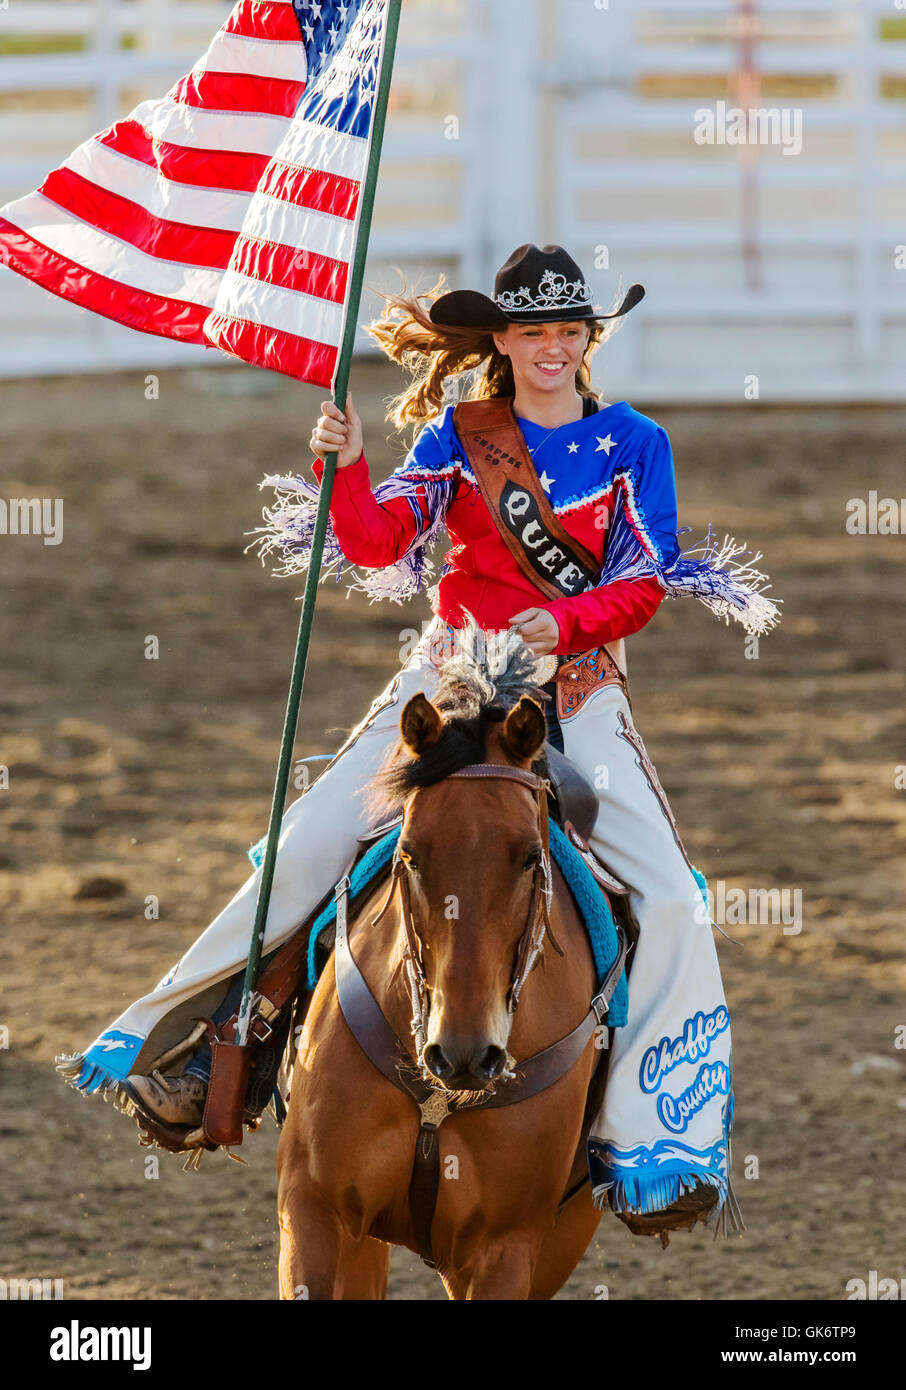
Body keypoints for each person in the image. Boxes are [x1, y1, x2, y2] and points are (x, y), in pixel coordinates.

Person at [58, 243, 778, 1236]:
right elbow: (371, 542)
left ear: (588, 337)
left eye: (570, 330)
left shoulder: (634, 442)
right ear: (503, 342)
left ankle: (651, 1134)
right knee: (310, 842)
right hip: (448, 679)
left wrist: (560, 626)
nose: (554, 349)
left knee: (665, 890)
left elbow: (645, 579)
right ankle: (196, 1043)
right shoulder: (460, 432)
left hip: (572, 689)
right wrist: (350, 467)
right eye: (535, 333)